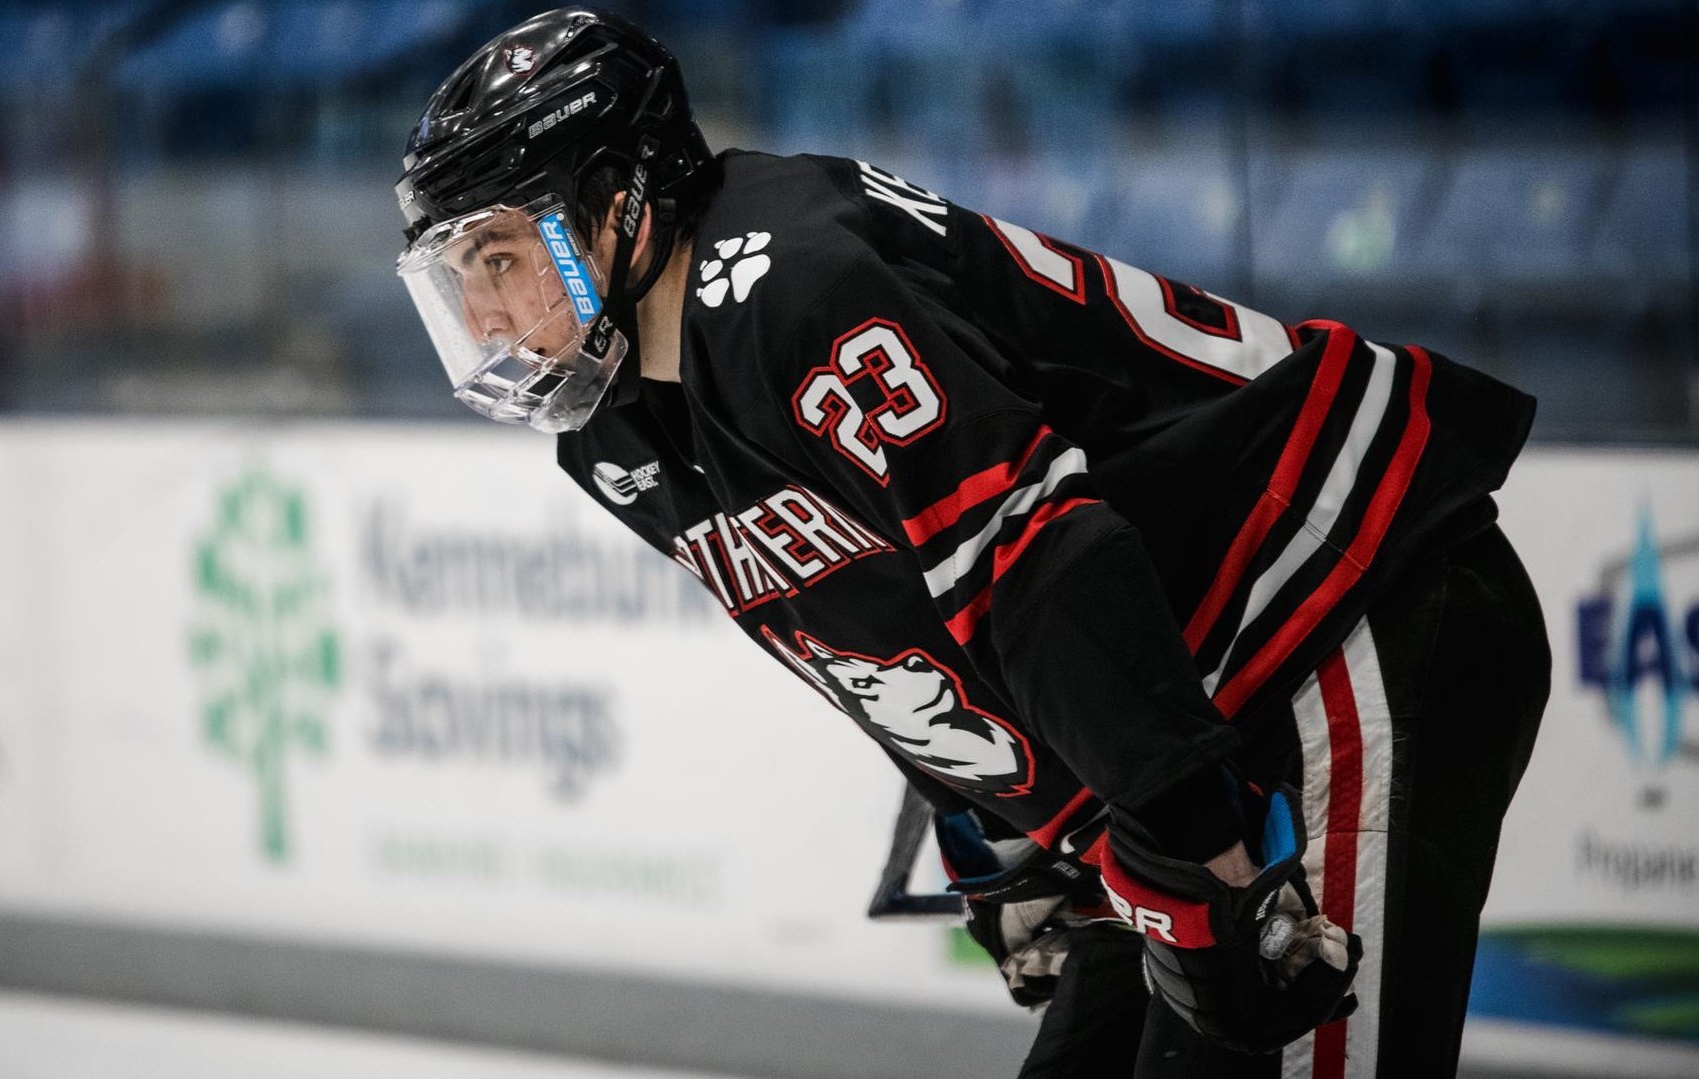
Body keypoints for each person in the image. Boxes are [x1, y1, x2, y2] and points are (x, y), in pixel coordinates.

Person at [389, 9, 1550, 1078]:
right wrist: (1010, 828)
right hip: (1170, 684)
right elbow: (868, 624)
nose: (485, 316)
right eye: (458, 278)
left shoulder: (789, 282)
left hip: (1338, 599)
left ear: (617, 195)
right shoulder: (616, 434)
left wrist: (1206, 861)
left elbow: (1034, 556)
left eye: (501, 257)